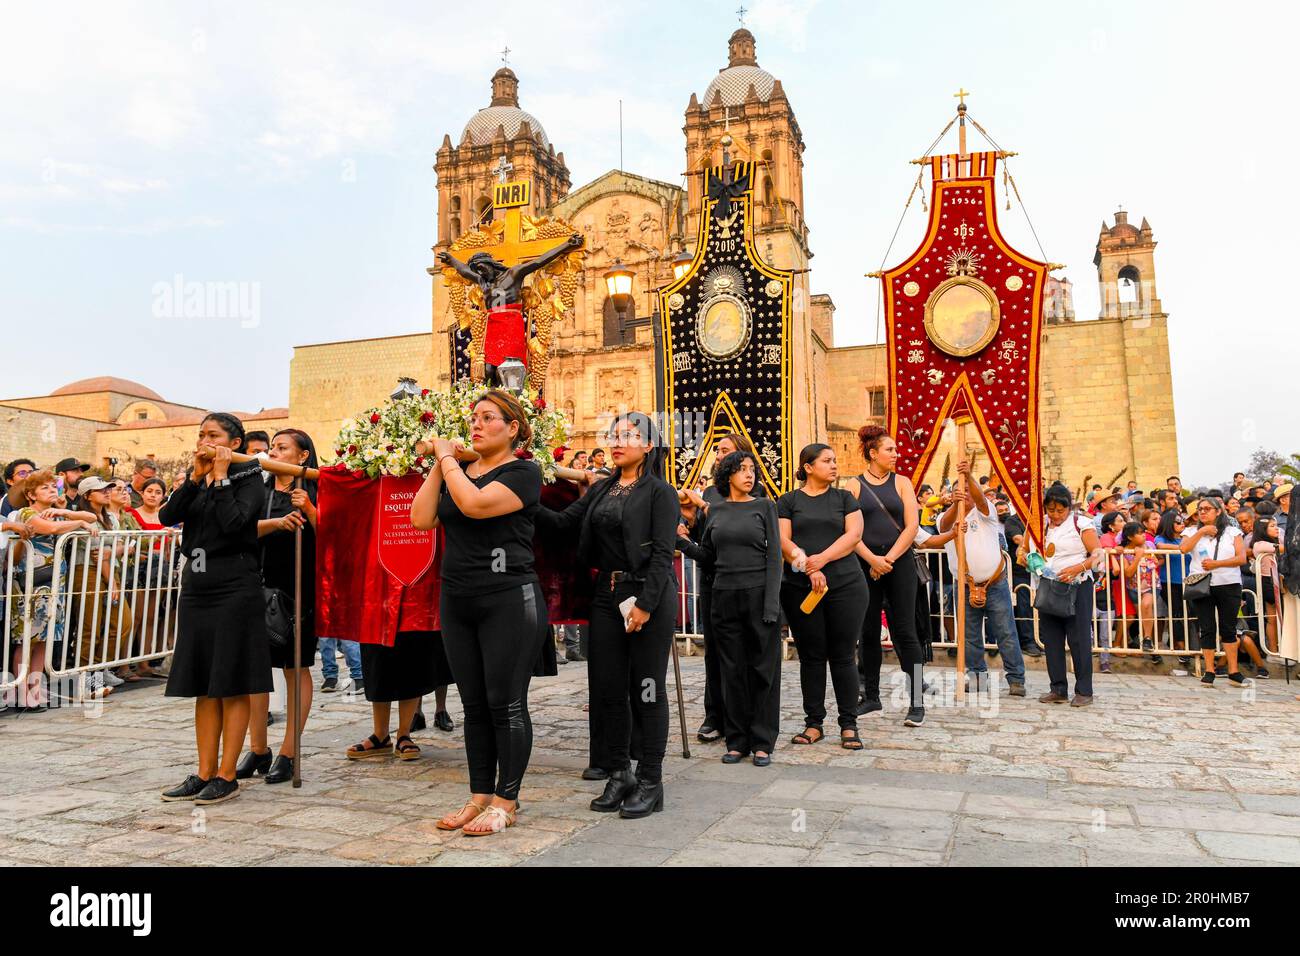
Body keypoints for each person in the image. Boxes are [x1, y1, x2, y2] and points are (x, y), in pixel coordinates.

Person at [412, 389, 551, 836]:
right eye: (474, 417)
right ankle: (478, 796)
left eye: (488, 417)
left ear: (511, 429)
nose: (476, 423)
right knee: (472, 705)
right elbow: (420, 518)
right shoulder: (459, 470)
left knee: (505, 703)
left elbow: (474, 504)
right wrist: (441, 462)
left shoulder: (523, 472)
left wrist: (446, 456)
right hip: (458, 599)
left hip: (509, 597)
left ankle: (506, 801)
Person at [535, 411, 679, 818]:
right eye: (613, 435)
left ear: (649, 446)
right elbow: (562, 523)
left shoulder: (659, 492)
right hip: (606, 594)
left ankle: (651, 780)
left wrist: (647, 606)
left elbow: (664, 555)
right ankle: (620, 773)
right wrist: (522, 491)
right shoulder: (601, 490)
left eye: (629, 435)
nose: (618, 441)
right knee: (608, 689)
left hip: (647, 594)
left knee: (648, 688)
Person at [158, 413, 273, 806]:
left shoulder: (250, 478)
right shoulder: (196, 479)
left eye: (213, 435)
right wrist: (195, 477)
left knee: (231, 681)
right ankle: (203, 771)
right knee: (203, 684)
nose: (203, 441)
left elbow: (234, 523)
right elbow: (167, 517)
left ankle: (227, 775)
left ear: (234, 442)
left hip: (234, 586)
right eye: (201, 434)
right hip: (197, 588)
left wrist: (222, 476)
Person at [238, 429, 320, 785]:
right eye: (272, 447)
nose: (273, 452)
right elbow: (239, 529)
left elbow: (332, 535)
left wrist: (310, 508)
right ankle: (258, 747)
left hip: (298, 587)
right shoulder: (259, 488)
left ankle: (289, 749)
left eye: (282, 447)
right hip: (257, 585)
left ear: (302, 456)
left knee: (295, 665)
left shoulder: (316, 489)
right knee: (256, 669)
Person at [691, 449, 782, 766]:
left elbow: (775, 558)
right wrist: (682, 543)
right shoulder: (714, 510)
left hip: (758, 596)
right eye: (741, 469)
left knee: (762, 670)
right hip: (723, 597)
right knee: (731, 671)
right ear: (727, 474)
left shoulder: (765, 506)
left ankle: (762, 741)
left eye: (752, 469)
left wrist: (772, 604)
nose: (749, 474)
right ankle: (736, 739)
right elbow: (707, 557)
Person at [777, 443, 868, 750]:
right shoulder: (788, 500)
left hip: (845, 585)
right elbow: (783, 541)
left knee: (843, 655)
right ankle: (813, 722)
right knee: (812, 656)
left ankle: (848, 723)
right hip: (801, 585)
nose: (834, 465)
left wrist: (822, 560)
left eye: (835, 461)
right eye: (827, 461)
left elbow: (853, 535)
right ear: (808, 467)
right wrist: (807, 566)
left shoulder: (845, 498)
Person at [685, 431, 762, 743]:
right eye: (717, 450)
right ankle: (713, 715)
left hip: (743, 585)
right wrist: (687, 526)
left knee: (741, 655)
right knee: (714, 653)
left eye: (724, 450)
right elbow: (705, 539)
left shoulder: (755, 499)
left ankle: (742, 718)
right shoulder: (713, 494)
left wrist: (702, 504)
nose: (717, 456)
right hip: (712, 582)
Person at [851, 425, 926, 726]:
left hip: (899, 564)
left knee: (906, 632)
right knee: (867, 632)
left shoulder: (903, 483)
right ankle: (871, 697)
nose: (896, 454)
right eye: (890, 449)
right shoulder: (853, 486)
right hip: (866, 564)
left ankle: (917, 701)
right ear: (873, 453)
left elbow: (912, 526)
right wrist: (872, 560)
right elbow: (850, 531)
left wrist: (889, 559)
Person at [8, 471, 99, 708]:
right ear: (31, 495)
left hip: (53, 582)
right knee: (27, 637)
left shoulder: (55, 514)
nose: (52, 490)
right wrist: (76, 522)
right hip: (30, 583)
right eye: (45, 488)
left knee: (44, 639)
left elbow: (92, 517)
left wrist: (64, 511)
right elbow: (48, 529)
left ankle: (35, 690)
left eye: (53, 487)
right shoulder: (27, 513)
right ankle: (20, 689)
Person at [938, 459, 1026, 695]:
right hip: (964, 585)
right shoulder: (946, 517)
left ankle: (1016, 678)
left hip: (994, 582)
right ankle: (977, 677)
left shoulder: (984, 511)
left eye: (967, 491)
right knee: (969, 636)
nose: (965, 495)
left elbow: (979, 499)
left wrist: (970, 477)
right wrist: (955, 507)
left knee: (1005, 631)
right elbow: (943, 526)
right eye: (960, 491)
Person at [1025, 484, 1099, 706]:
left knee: (1078, 639)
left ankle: (1084, 690)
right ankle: (1057, 687)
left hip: (1077, 586)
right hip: (1049, 586)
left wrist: (1078, 568)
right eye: (1051, 510)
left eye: (1060, 511)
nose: (1055, 515)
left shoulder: (1081, 523)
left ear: (1069, 507)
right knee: (1052, 639)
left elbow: (1097, 554)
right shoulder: (1041, 526)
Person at [1181, 497, 1248, 687]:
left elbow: (1241, 557)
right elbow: (1184, 548)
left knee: (1229, 627)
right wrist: (1201, 530)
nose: (1202, 512)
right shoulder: (1191, 531)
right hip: (1201, 583)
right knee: (1207, 627)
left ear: (1218, 511)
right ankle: (1209, 670)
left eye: (1207, 509)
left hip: (1228, 582)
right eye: (1200, 509)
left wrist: (1217, 564)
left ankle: (1233, 671)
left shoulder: (1232, 532)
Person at [995, 495, 1041, 658]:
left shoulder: (1041, 520)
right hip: (1021, 572)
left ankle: (1040, 639)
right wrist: (1033, 545)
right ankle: (1027, 641)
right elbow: (1018, 539)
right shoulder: (1013, 521)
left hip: (1042, 571)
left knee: (1040, 606)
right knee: (1024, 607)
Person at [1153, 509, 1191, 665]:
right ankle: (1181, 646)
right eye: (1178, 522)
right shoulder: (1160, 538)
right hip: (1169, 581)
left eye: (1182, 521)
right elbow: (1160, 546)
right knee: (1176, 613)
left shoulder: (1185, 538)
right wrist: (1183, 547)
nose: (1182, 524)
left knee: (1187, 614)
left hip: (1188, 581)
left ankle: (1184, 644)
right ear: (1169, 523)